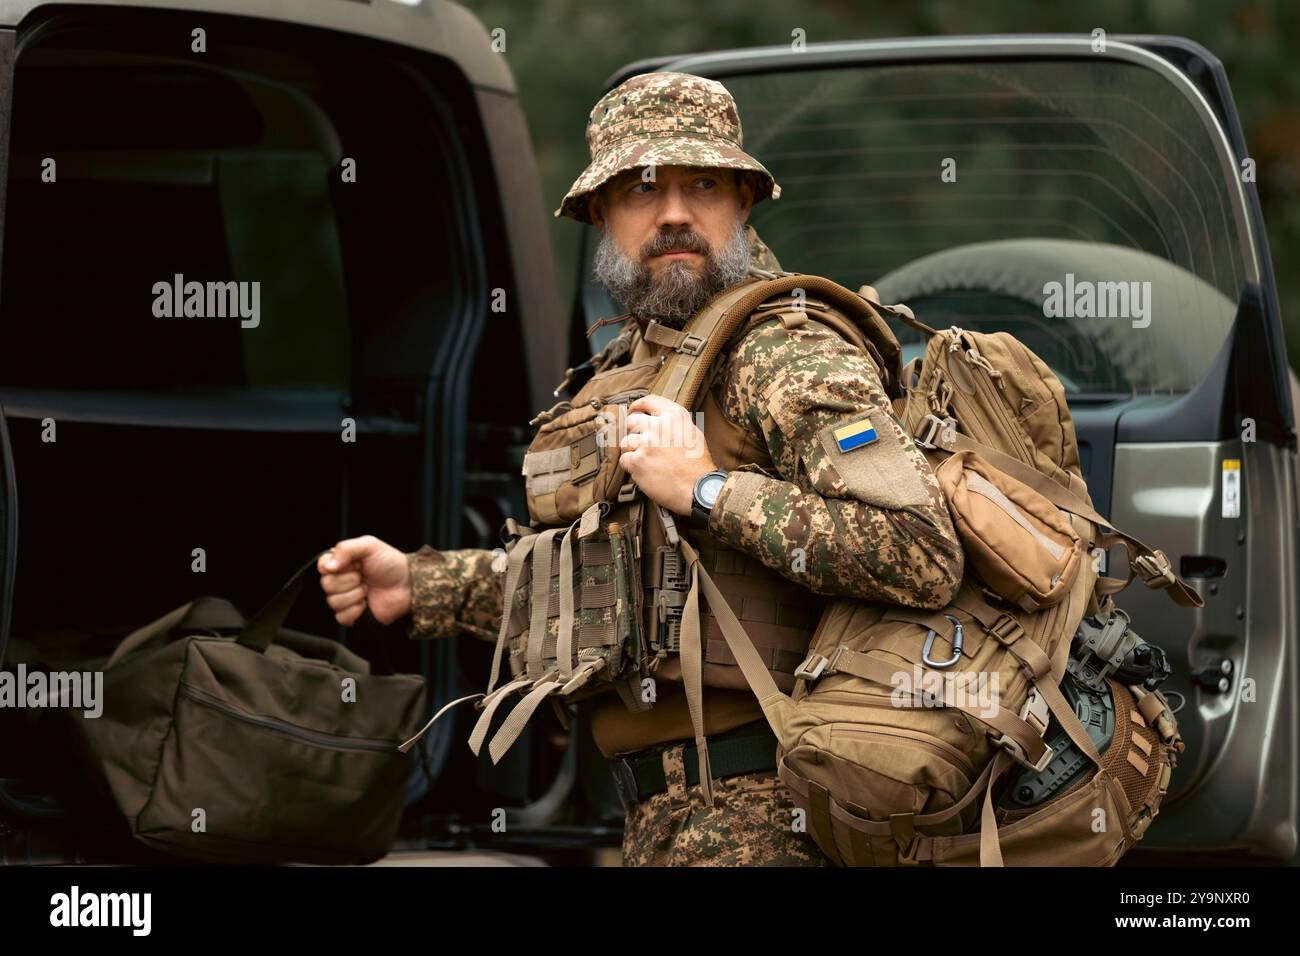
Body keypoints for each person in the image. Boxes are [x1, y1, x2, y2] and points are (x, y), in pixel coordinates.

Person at [318, 71, 963, 866]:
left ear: (744, 203)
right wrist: (419, 584)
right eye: (641, 191)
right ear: (599, 213)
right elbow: (600, 582)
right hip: (668, 816)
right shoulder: (634, 362)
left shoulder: (783, 349)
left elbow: (921, 551)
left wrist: (707, 489)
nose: (674, 215)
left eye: (703, 186)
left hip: (773, 809)